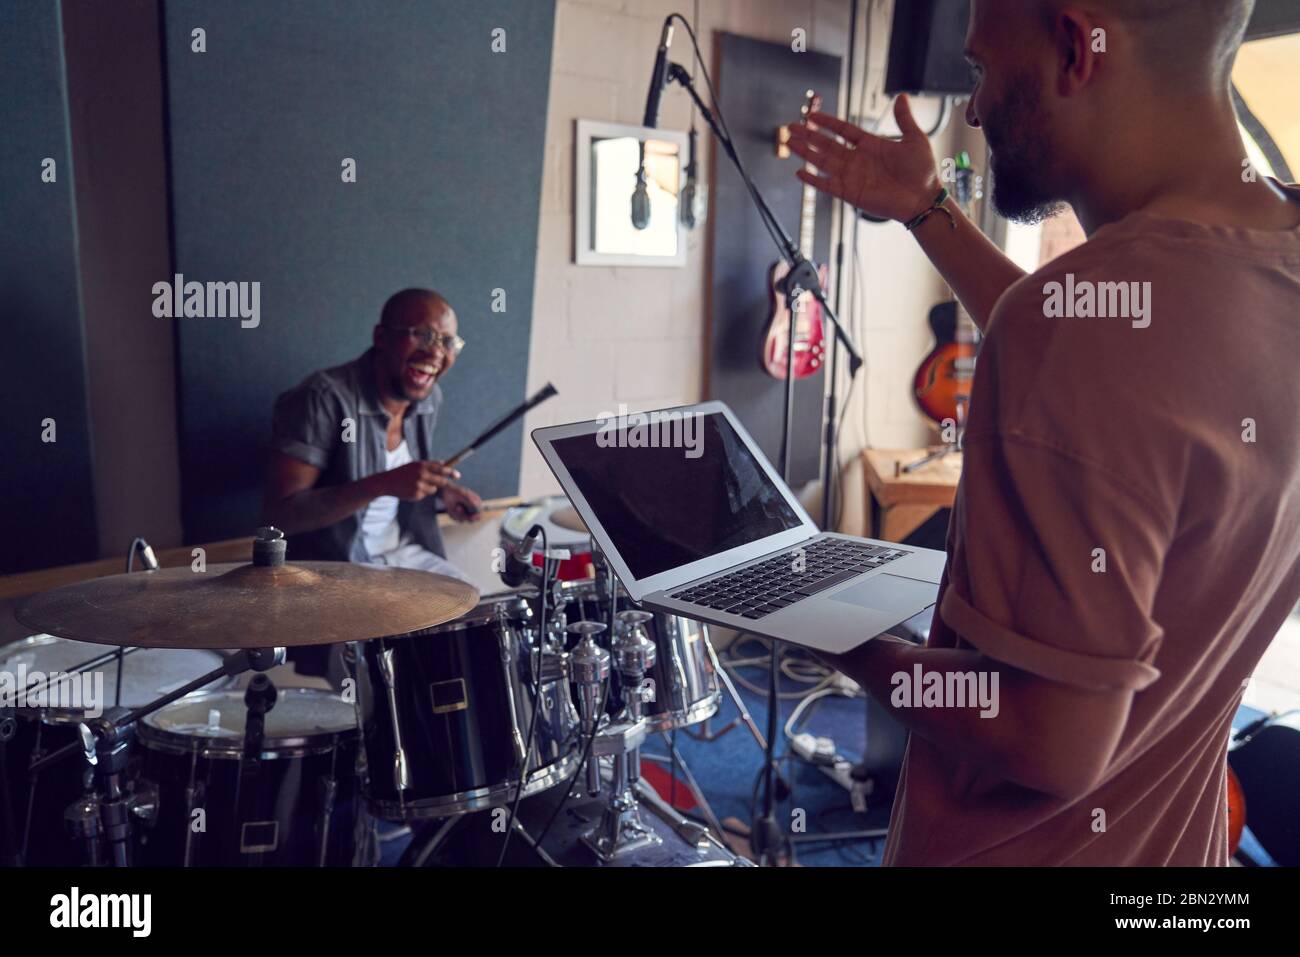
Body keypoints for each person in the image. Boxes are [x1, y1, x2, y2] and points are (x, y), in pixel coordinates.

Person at [787, 0, 1300, 865]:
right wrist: (926, 208)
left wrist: (823, 624)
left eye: (984, 72)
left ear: (1074, 48)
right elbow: (1132, 368)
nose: (976, 110)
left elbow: (1044, 740)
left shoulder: (1077, 339)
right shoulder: (1271, 250)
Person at [263, 288, 484, 673]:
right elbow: (280, 516)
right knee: (377, 679)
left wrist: (442, 490)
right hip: (333, 572)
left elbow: (404, 472)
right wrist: (380, 484)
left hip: (400, 553)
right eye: (423, 334)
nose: (436, 352)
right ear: (381, 337)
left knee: (474, 626)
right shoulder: (322, 398)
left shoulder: (429, 398)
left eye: (448, 341)